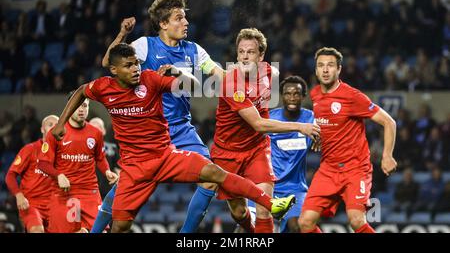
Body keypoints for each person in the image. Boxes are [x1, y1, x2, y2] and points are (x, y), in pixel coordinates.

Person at [50, 43, 296, 233]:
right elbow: (81, 91)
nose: (136, 68)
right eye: (129, 65)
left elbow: (190, 86)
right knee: (120, 227)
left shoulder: (150, 79)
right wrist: (61, 123)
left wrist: (178, 72)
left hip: (166, 156)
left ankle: (270, 203)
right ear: (114, 70)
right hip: (135, 169)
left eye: (136, 63)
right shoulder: (103, 87)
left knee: (214, 173)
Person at [95, 0, 224, 233]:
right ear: (163, 24)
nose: (186, 23)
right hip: (150, 133)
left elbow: (218, 73)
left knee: (211, 178)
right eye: (179, 18)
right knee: (120, 190)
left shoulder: (195, 51)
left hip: (182, 129)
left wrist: (242, 82)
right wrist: (123, 35)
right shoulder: (145, 45)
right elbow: (107, 62)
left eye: (185, 18)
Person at [211, 29, 320, 233]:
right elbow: (259, 124)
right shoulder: (231, 83)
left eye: (250, 52)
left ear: (261, 56)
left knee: (264, 210)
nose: (244, 56)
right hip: (228, 153)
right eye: (241, 51)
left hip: (256, 149)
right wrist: (300, 127)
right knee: (239, 213)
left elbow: (273, 78)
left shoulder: (270, 73)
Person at [299, 47, 397, 233]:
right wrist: (320, 136)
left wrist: (387, 156)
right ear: (316, 70)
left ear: (339, 70)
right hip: (328, 169)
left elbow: (389, 122)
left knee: (356, 220)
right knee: (305, 223)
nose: (325, 70)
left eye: (330, 65)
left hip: (355, 168)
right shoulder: (315, 94)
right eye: (321, 66)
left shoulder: (352, 96)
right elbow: (326, 121)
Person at [37, 94, 119, 233]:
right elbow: (42, 163)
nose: (81, 109)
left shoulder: (96, 133)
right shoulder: (56, 132)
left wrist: (107, 171)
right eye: (77, 106)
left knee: (102, 231)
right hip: (64, 193)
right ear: (69, 108)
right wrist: (59, 176)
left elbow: (99, 157)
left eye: (84, 105)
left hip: (89, 192)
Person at [246, 76, 316, 233]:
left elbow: (326, 135)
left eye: (296, 93)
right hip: (266, 184)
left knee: (297, 226)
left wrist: (321, 139)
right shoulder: (269, 118)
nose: (292, 98)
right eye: (287, 93)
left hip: (294, 189)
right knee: (246, 227)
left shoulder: (311, 119)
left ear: (303, 96)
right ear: (282, 95)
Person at [5, 115, 59, 233]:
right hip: (31, 204)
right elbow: (10, 175)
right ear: (42, 129)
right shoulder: (30, 149)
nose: (53, 127)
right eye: (50, 124)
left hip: (55, 206)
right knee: (37, 230)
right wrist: (19, 196)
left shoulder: (63, 153)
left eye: (56, 125)